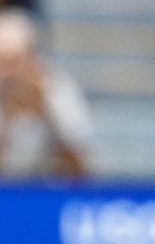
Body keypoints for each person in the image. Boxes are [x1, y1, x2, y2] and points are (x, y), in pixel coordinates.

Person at [0, 9, 91, 178]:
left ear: (32, 58)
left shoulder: (56, 88)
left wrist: (45, 114)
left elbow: (81, 169)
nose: (9, 74)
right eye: (3, 63)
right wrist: (9, 118)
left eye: (14, 62)